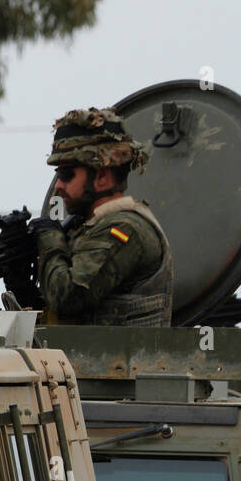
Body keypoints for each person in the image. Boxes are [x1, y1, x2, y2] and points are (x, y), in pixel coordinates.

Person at [28, 107, 173, 326]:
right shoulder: (86, 228)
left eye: (67, 175)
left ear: (102, 177)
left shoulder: (124, 229)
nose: (58, 186)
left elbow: (67, 297)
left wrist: (50, 240)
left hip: (122, 358)